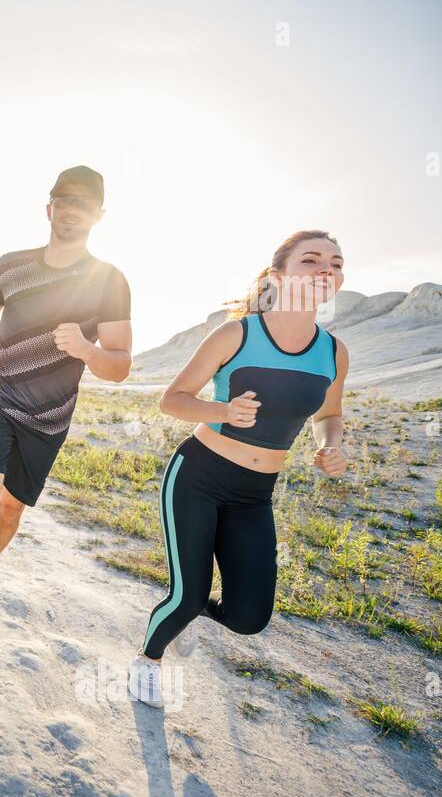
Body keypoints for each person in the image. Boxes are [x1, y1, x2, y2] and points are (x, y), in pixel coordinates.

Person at [129, 231, 350, 709]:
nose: (324, 269)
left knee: (249, 618)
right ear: (278, 276)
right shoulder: (238, 334)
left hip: (255, 494)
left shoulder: (333, 352)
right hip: (198, 476)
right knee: (189, 595)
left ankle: (186, 616)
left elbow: (328, 415)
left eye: (334, 263)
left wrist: (330, 446)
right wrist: (223, 412)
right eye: (310, 260)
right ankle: (148, 660)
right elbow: (173, 400)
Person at [0, 165, 133, 619]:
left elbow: (120, 364)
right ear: (49, 208)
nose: (73, 211)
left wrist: (85, 349)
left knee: (8, 512)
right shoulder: (10, 265)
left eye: (85, 204)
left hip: (49, 418)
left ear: (99, 215)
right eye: (65, 201)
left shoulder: (109, 281)